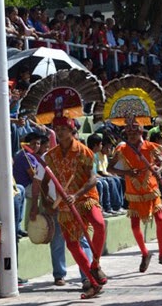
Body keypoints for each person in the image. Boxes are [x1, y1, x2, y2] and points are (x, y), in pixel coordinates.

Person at [44, 116, 107, 299]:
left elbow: (93, 178)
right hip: (64, 204)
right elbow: (45, 178)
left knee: (99, 224)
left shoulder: (84, 151)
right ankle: (92, 282)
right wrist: (45, 197)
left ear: (72, 130)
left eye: (64, 127)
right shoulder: (51, 155)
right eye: (57, 128)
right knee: (72, 244)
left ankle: (95, 265)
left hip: (85, 197)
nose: (60, 130)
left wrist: (76, 195)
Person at [108, 119, 162, 270]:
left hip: (151, 189)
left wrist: (159, 170)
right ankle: (145, 253)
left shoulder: (150, 147)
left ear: (141, 132)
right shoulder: (122, 149)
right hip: (134, 192)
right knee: (134, 225)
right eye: (129, 132)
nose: (131, 135)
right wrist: (127, 173)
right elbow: (110, 168)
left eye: (134, 132)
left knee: (159, 218)